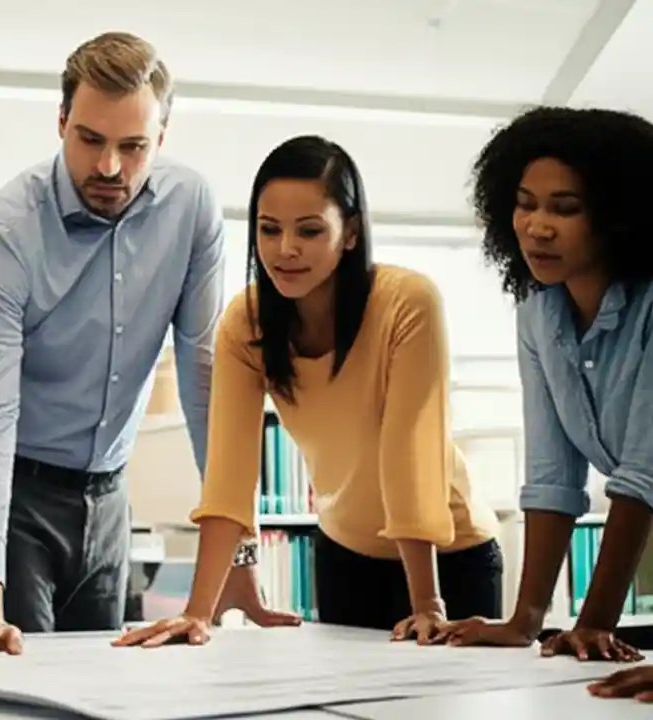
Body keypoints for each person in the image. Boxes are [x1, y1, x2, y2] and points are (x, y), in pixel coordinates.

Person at [0, 30, 297, 663]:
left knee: (105, 676)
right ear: (60, 121)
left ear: (162, 136)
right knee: (20, 678)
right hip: (15, 489)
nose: (109, 168)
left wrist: (239, 555)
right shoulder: (7, 234)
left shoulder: (191, 208)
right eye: (90, 140)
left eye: (132, 147)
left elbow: (207, 388)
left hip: (108, 495)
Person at [116, 135, 504, 649]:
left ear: (350, 234)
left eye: (310, 230)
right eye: (269, 230)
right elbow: (228, 475)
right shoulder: (245, 324)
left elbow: (408, 452)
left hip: (447, 559)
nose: (286, 250)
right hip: (344, 554)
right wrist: (198, 611)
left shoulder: (407, 303)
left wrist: (428, 603)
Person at [445, 107, 653, 681]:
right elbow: (552, 475)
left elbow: (643, 473)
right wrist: (524, 621)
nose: (536, 225)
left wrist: (595, 623)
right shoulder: (538, 311)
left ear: (619, 218)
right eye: (524, 202)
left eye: (565, 209)